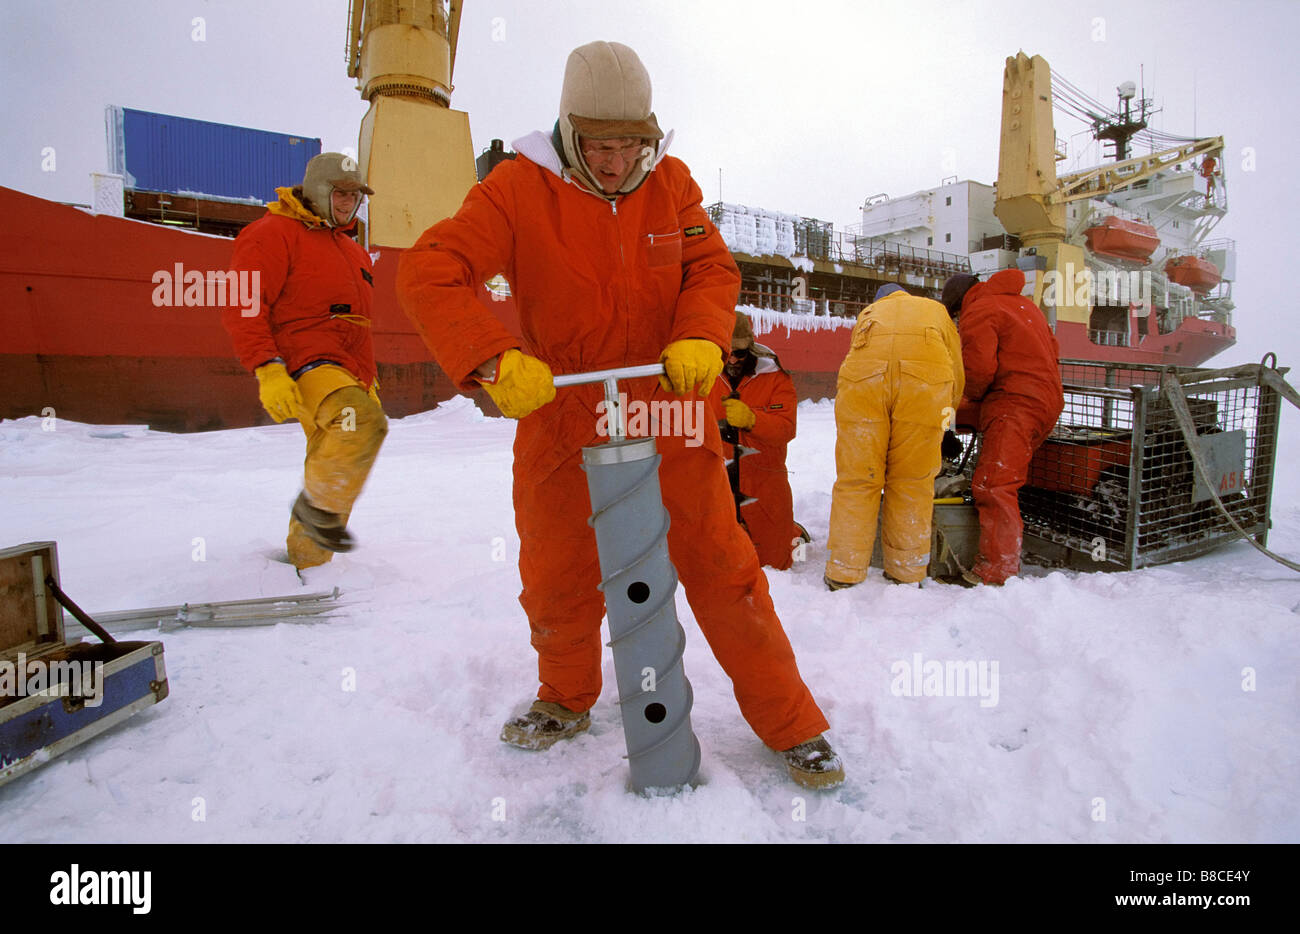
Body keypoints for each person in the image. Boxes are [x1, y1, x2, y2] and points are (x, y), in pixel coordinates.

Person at [396, 40, 842, 789]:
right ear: (569, 128)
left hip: (670, 414)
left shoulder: (673, 184)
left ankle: (791, 723)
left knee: (724, 571)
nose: (614, 162)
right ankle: (565, 698)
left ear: (651, 134)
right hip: (560, 415)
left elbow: (710, 267)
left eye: (630, 143)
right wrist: (493, 359)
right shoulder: (515, 190)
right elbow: (432, 270)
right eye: (599, 145)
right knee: (556, 574)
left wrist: (700, 334)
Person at [222, 152, 388, 571]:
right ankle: (316, 519)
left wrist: (366, 378)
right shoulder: (270, 233)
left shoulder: (353, 251)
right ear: (318, 190)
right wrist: (267, 367)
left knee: (333, 455)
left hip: (345, 371)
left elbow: (356, 323)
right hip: (303, 362)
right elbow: (243, 302)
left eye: (354, 196)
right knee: (358, 422)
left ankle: (308, 562)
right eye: (341, 194)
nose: (349, 203)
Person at [824, 283, 964, 589]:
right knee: (912, 482)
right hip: (924, 387)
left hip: (863, 385)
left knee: (857, 479)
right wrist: (946, 422)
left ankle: (844, 571)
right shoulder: (936, 311)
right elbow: (956, 373)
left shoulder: (869, 313)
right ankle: (906, 572)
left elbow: (856, 360)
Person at [941, 270, 1064, 586]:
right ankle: (1000, 557)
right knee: (1005, 480)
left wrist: (961, 402)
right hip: (1046, 400)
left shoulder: (979, 310)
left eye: (955, 315)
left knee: (994, 484)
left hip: (1016, 403)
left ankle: (996, 571)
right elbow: (1053, 351)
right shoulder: (1024, 305)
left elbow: (979, 372)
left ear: (958, 305)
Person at [709, 311, 809, 570]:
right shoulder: (704, 373)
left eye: (739, 353)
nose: (732, 359)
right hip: (716, 482)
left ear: (750, 346)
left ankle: (791, 532)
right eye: (726, 353)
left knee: (776, 564)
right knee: (715, 563)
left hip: (765, 481)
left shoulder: (775, 376)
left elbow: (786, 429)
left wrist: (752, 420)